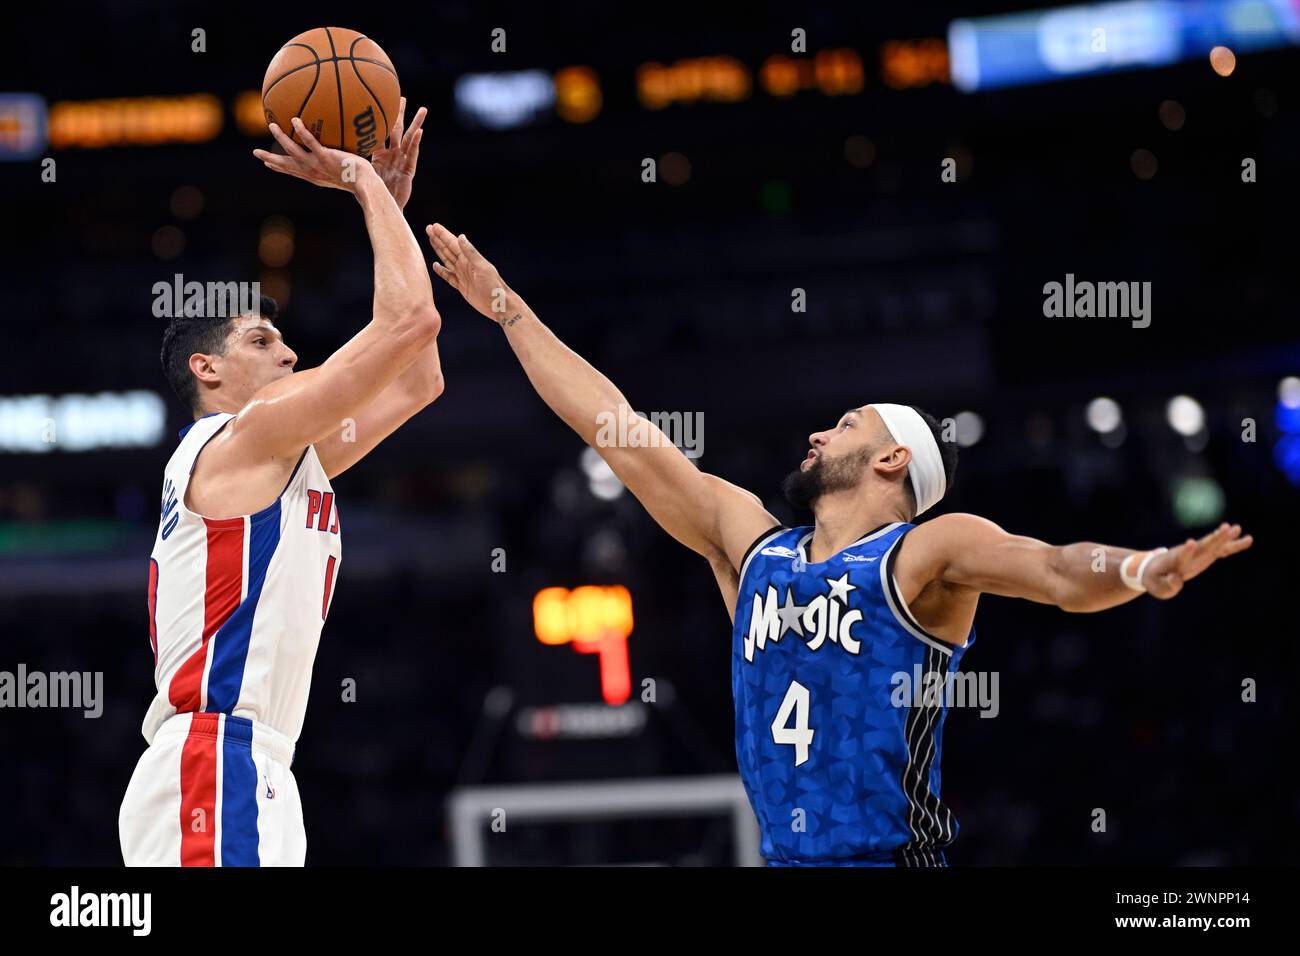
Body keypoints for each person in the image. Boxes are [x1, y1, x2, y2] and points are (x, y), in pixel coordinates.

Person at [424, 222, 1253, 866]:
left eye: (846, 424)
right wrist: (507, 306)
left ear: (893, 459)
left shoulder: (922, 555)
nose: (820, 432)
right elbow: (617, 430)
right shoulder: (752, 548)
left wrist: (1145, 568)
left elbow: (1058, 570)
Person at [119, 101, 443, 866]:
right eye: (263, 340)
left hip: (245, 760)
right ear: (208, 370)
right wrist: (361, 178)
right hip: (214, 756)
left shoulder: (280, 455)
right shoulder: (242, 442)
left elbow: (418, 380)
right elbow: (411, 327)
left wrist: (386, 213)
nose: (291, 355)